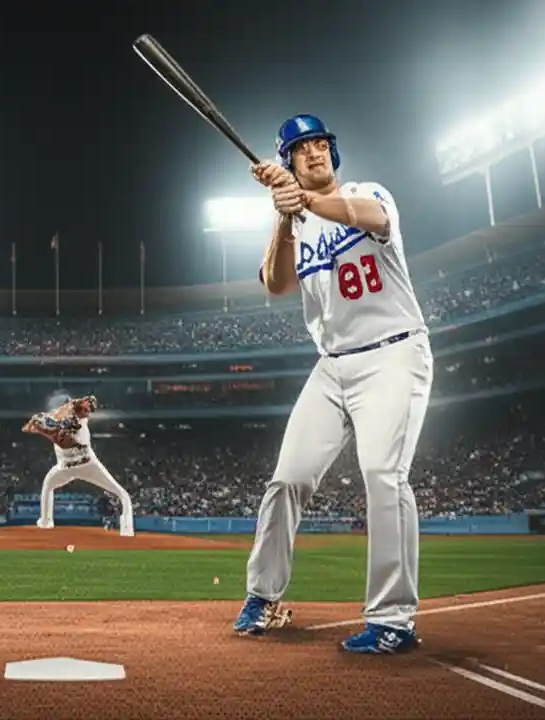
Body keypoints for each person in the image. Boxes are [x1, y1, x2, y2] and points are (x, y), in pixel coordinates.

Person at [233, 115, 433, 654]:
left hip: (393, 352)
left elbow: (366, 216)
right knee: (288, 479)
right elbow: (275, 283)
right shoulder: (297, 223)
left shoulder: (367, 193)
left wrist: (301, 197)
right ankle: (262, 596)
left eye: (321, 143)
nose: (315, 151)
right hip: (331, 365)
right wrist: (283, 213)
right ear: (289, 161)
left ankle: (393, 620)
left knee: (384, 475)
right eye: (302, 148)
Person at [24, 395, 135, 537]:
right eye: (85, 407)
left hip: (83, 466)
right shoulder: (68, 416)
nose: (86, 411)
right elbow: (29, 428)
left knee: (123, 495)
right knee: (48, 485)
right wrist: (37, 423)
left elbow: (58, 436)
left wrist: (40, 426)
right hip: (71, 467)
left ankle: (127, 530)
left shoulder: (75, 425)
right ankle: (46, 521)